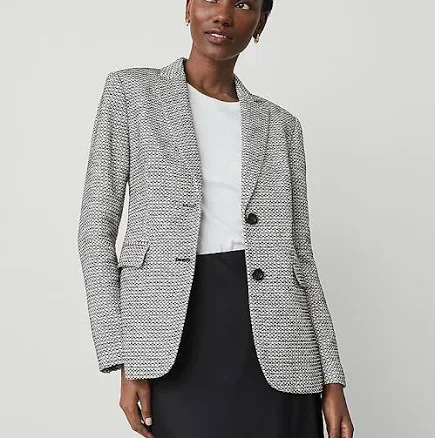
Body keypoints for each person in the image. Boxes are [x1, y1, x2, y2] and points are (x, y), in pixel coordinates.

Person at [77, 1, 354, 437]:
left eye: (242, 4)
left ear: (260, 22)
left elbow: (301, 258)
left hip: (280, 337)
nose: (223, 14)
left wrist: (332, 378)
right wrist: (126, 355)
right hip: (174, 333)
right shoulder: (132, 94)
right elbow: (95, 231)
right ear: (188, 7)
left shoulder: (282, 126)